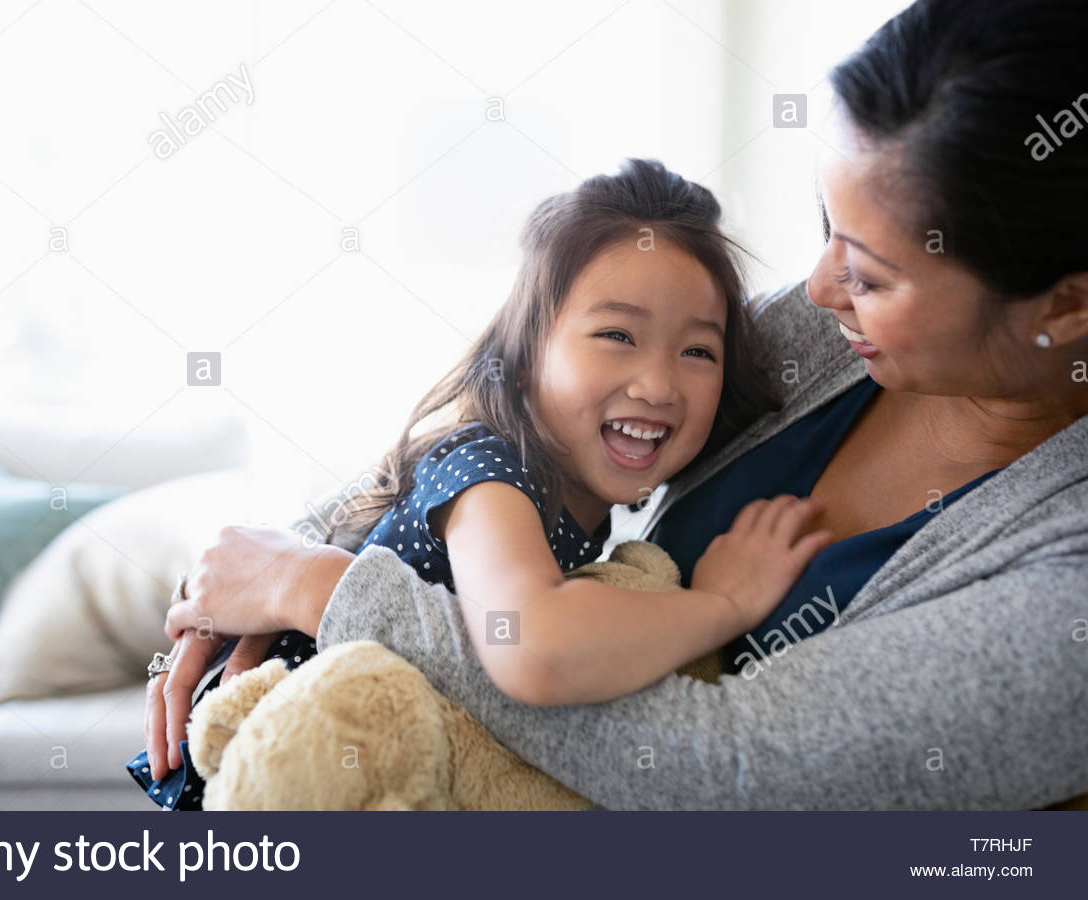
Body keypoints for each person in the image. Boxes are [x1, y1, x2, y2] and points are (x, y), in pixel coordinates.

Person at [148, 0, 1088, 809]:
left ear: (1070, 306)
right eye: (823, 224)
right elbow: (500, 428)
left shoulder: (1065, 604)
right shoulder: (833, 338)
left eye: (873, 274)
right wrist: (262, 576)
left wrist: (329, 594)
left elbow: (722, 771)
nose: (816, 286)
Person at [129, 157, 837, 808]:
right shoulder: (491, 470)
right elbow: (534, 647)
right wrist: (724, 603)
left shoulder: (571, 503)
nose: (658, 384)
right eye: (617, 336)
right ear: (526, 356)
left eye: (697, 350)